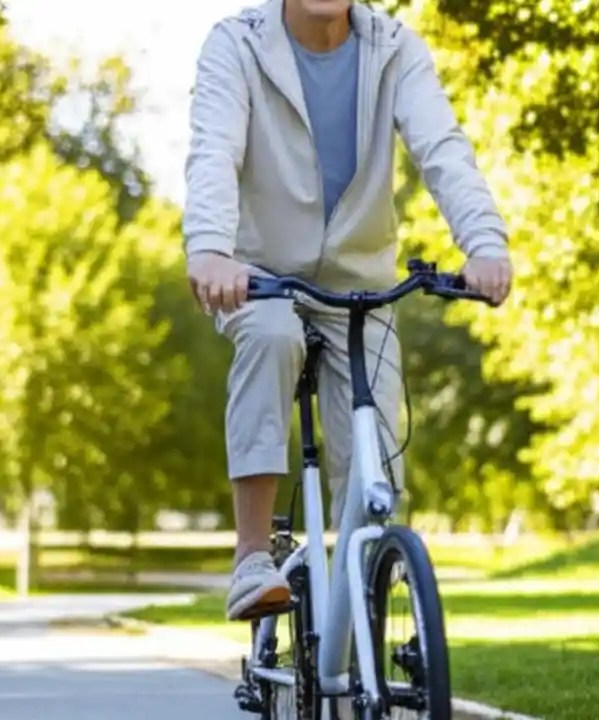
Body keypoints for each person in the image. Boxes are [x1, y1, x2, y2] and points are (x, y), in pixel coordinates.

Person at [183, 0, 513, 621]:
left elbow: (442, 148)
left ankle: (360, 633)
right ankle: (252, 557)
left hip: (359, 289)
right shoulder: (238, 44)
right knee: (274, 338)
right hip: (259, 282)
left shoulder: (394, 50)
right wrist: (209, 250)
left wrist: (484, 244)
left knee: (379, 468)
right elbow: (214, 153)